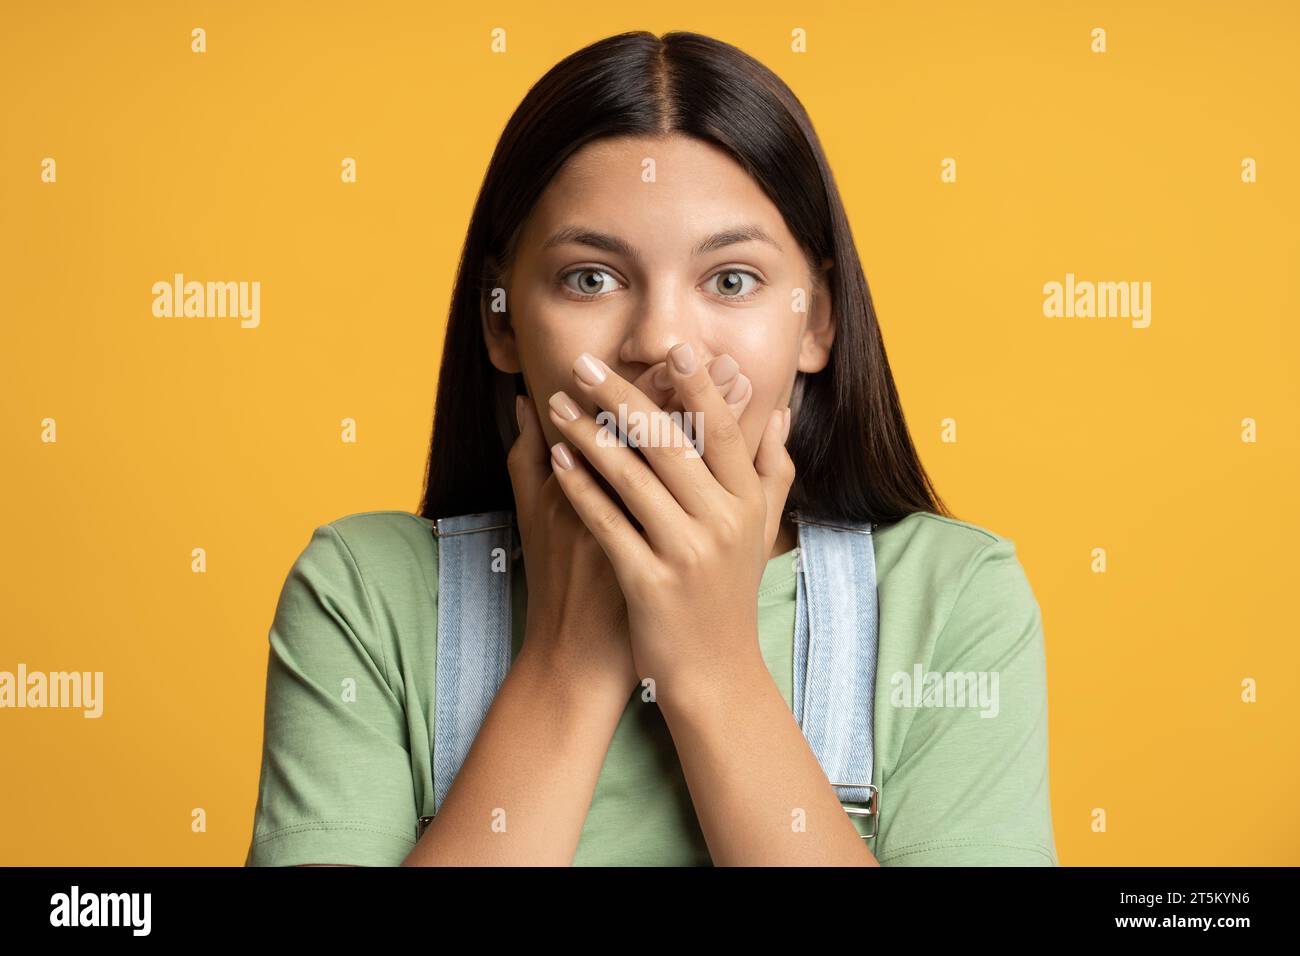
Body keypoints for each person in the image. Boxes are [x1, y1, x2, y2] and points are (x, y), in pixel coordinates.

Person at [245, 30, 1058, 867]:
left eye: (731, 280)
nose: (661, 343)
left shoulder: (954, 602)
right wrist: (569, 661)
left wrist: (714, 665)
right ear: (501, 320)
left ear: (816, 321)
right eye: (591, 277)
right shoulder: (363, 595)